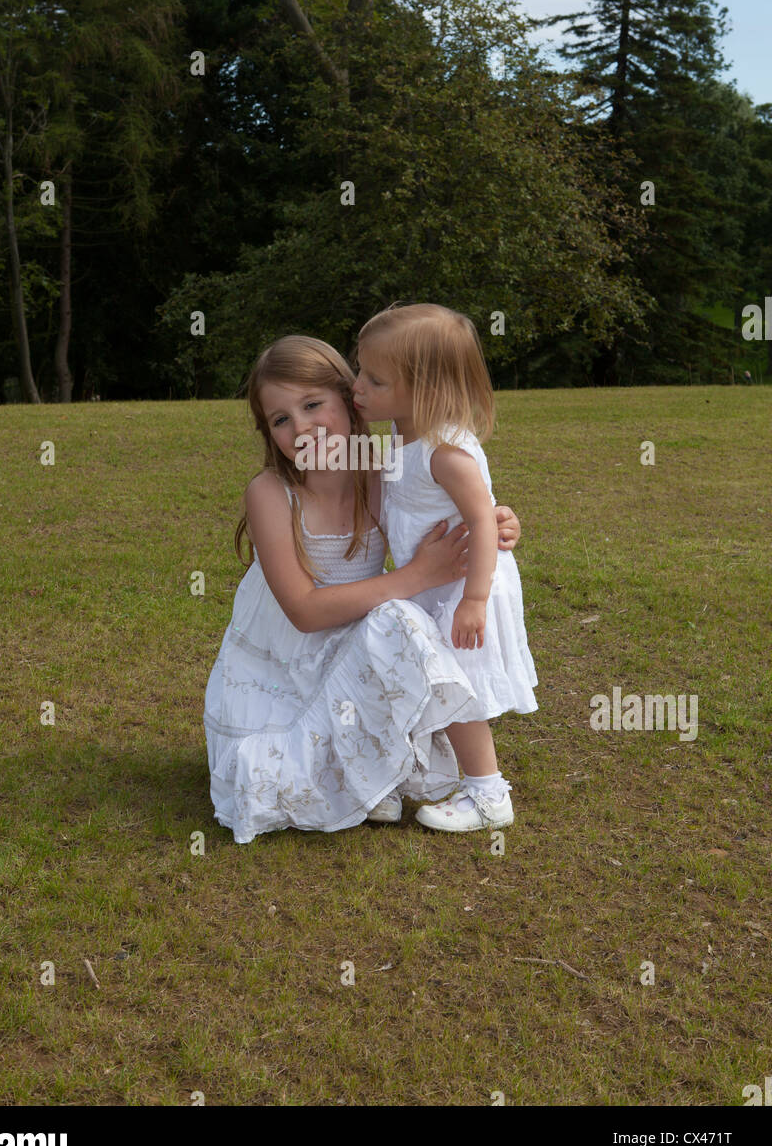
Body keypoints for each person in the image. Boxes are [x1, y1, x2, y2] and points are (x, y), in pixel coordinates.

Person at [203, 334, 523, 844]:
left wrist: (493, 520)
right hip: (283, 672)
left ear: (349, 399)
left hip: (350, 649)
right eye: (280, 419)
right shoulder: (271, 492)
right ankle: (359, 772)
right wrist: (417, 575)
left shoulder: (382, 466)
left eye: (312, 405)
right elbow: (305, 612)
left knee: (403, 621)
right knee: (400, 614)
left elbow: (439, 511)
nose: (301, 426)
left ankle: (477, 787)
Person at [353, 303, 538, 832]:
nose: (358, 386)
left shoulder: (444, 452)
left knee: (459, 695)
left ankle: (488, 794)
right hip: (432, 583)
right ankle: (404, 776)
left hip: (462, 588)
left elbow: (483, 520)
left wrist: (475, 599)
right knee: (425, 682)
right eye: (360, 370)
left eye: (375, 379)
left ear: (425, 388)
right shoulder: (401, 438)